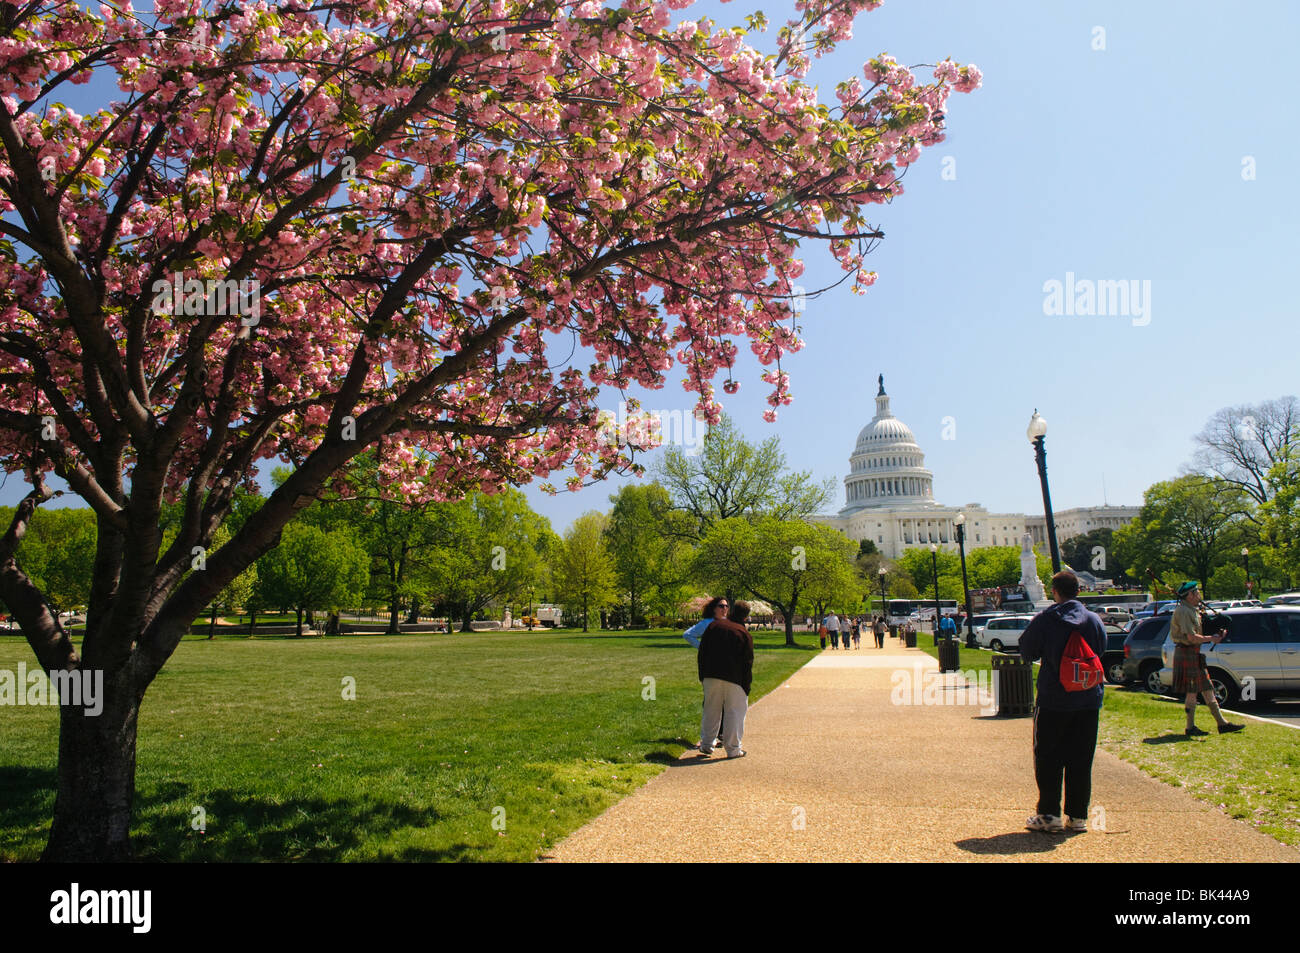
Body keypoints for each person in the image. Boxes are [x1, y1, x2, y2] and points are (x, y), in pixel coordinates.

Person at [1019, 570, 1105, 834]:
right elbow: (1100, 650)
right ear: (1078, 590)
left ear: (1055, 591)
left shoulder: (1046, 620)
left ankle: (1049, 814)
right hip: (1088, 698)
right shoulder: (1093, 620)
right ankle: (1078, 816)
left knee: (1048, 758)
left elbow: (1027, 650)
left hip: (1054, 699)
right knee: (1081, 758)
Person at [1170, 581, 1244, 738]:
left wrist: (1217, 632)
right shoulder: (1184, 611)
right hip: (1187, 652)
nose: (1199, 595)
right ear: (1189, 595)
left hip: (1194, 653)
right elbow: (1190, 636)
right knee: (1193, 691)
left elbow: (1200, 630)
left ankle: (1221, 724)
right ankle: (1192, 727)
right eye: (1196, 593)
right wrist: (1211, 638)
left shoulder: (1192, 610)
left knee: (1207, 688)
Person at [698, 601, 755, 758]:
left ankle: (707, 744)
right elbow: (747, 663)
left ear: (730, 611)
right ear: (746, 616)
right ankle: (733, 749)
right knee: (734, 712)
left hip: (711, 675)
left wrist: (702, 675)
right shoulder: (743, 633)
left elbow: (702, 652)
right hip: (734, 678)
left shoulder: (713, 627)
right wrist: (746, 684)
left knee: (711, 709)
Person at [685, 597, 730, 750]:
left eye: (726, 606)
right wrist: (703, 648)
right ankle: (709, 736)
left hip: (726, 666)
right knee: (711, 701)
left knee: (725, 700)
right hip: (710, 666)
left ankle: (721, 734)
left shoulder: (727, 623)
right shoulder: (706, 624)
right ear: (713, 608)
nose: (724, 609)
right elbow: (688, 635)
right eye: (721, 606)